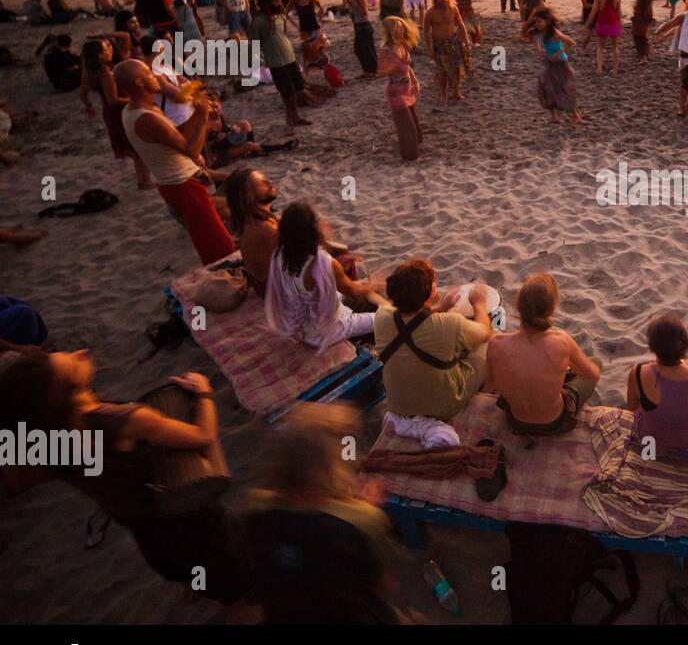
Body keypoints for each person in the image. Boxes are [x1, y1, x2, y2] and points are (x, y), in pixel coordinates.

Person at [0, 351, 253, 608]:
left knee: (179, 565)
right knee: (230, 578)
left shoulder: (50, 441)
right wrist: (204, 392)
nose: (82, 354)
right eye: (74, 363)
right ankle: (228, 598)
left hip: (140, 527)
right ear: (67, 394)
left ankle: (196, 584)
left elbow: (15, 481)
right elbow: (204, 436)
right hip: (184, 515)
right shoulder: (122, 422)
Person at [243, 402, 404, 623]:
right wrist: (362, 509)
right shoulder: (361, 522)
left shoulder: (255, 507)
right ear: (329, 465)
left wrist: (349, 506)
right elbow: (381, 587)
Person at [117, 60, 234, 263]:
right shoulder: (146, 118)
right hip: (183, 186)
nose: (155, 76)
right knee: (218, 246)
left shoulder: (143, 109)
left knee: (236, 201)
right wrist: (200, 115)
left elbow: (178, 137)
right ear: (138, 82)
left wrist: (200, 112)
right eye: (149, 73)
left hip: (185, 181)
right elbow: (190, 149)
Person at [374, 260, 493, 423]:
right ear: (430, 292)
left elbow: (411, 318)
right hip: (445, 406)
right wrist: (479, 304)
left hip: (399, 406)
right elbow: (484, 332)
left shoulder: (381, 317)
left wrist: (441, 306)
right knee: (489, 341)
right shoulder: (449, 323)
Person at [483, 273, 602, 436]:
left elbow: (490, 386)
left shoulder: (496, 344)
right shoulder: (562, 342)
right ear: (552, 309)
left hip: (514, 419)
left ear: (519, 307)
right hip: (553, 422)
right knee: (595, 362)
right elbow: (593, 376)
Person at [265, 201, 377, 352]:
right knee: (380, 318)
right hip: (327, 330)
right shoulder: (322, 262)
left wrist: (338, 269)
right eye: (317, 221)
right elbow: (355, 293)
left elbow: (309, 283)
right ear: (312, 231)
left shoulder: (279, 256)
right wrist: (376, 284)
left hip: (300, 325)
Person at [626, 315, 688, 459]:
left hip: (650, 445)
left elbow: (631, 407)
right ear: (685, 345)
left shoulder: (638, 372)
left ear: (653, 347)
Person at [79, 39, 152, 189]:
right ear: (99, 55)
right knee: (137, 148)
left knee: (135, 148)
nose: (110, 50)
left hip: (110, 112)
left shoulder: (92, 73)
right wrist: (135, 100)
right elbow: (113, 99)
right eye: (106, 48)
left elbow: (83, 93)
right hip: (117, 112)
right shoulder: (106, 74)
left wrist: (89, 106)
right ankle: (144, 181)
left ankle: (143, 180)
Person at [249, 0, 310, 131]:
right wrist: (262, 60)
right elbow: (255, 43)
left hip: (289, 57)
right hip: (276, 62)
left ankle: (296, 117)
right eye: (275, 1)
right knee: (287, 92)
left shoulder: (281, 17)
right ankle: (291, 118)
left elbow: (284, 35)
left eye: (279, 0)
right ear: (267, 3)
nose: (279, 3)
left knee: (298, 87)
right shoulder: (259, 21)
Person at [524, 7, 581, 125]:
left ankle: (575, 116)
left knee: (564, 89)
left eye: (540, 22)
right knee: (545, 87)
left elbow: (570, 42)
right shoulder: (541, 33)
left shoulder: (554, 32)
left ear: (547, 21)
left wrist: (559, 52)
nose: (537, 24)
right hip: (550, 64)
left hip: (561, 64)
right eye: (535, 22)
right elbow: (539, 44)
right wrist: (540, 51)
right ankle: (554, 116)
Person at [378, 16, 423, 160]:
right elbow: (380, 72)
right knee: (406, 124)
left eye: (402, 27)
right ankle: (409, 156)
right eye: (398, 28)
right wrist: (389, 68)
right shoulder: (386, 50)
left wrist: (415, 81)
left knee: (414, 121)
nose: (401, 30)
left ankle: (414, 148)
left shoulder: (403, 45)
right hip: (395, 90)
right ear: (391, 31)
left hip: (407, 87)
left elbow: (407, 66)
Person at [422, 0, 471, 103]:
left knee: (456, 69)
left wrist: (466, 41)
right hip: (439, 44)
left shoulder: (453, 9)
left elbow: (461, 25)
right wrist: (429, 49)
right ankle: (443, 94)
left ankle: (455, 91)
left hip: (453, 42)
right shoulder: (430, 13)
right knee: (442, 71)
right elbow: (426, 32)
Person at [585, 0, 623, 75]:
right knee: (615, 47)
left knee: (601, 46)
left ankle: (599, 69)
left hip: (602, 23)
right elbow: (619, 13)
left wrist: (588, 23)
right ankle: (615, 69)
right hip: (614, 23)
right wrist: (621, 26)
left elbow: (594, 11)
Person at [620, 0, 657, 65]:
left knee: (638, 36)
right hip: (647, 15)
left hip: (640, 15)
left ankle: (643, 56)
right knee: (642, 35)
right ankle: (642, 54)